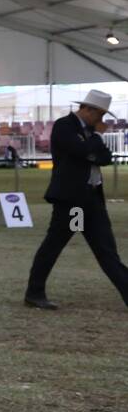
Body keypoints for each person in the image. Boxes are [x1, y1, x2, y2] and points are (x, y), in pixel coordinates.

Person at [24, 89, 128, 311]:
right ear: (88, 110)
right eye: (100, 115)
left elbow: (105, 158)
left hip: (93, 201)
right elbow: (82, 151)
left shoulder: (88, 131)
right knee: (55, 245)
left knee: (107, 251)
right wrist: (95, 142)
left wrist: (91, 149)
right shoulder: (64, 126)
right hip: (73, 202)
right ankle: (34, 292)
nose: (101, 121)